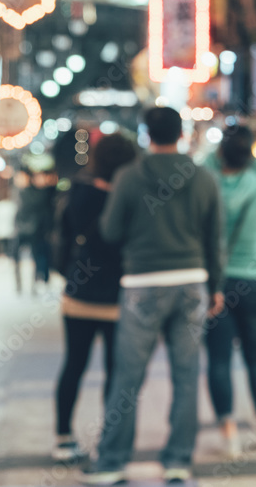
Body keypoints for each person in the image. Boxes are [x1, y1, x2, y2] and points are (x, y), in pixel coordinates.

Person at [80, 107, 225, 486]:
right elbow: (215, 238)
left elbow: (111, 231)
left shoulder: (129, 176)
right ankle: (178, 461)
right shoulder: (204, 177)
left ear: (146, 134)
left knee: (128, 376)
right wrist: (216, 286)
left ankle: (112, 462)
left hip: (142, 283)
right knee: (187, 375)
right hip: (192, 281)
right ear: (182, 134)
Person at [52, 133, 138, 462]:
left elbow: (63, 239)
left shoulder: (77, 193)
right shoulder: (129, 199)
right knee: (116, 374)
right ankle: (108, 443)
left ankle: (63, 439)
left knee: (73, 366)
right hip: (119, 298)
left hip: (79, 295)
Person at [203, 125, 256, 459]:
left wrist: (216, 155)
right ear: (249, 154)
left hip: (217, 285)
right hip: (254, 282)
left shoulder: (209, 183)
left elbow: (201, 167)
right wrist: (255, 161)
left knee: (219, 359)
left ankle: (230, 435)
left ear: (221, 151)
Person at [15, 167, 57, 293]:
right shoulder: (22, 191)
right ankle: (23, 285)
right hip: (24, 228)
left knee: (38, 256)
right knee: (25, 257)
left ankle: (38, 282)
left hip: (36, 229)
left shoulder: (38, 192)